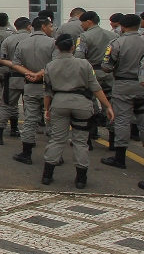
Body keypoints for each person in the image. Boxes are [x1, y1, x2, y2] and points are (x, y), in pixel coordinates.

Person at [41, 33, 114, 189]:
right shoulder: (84, 64)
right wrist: (107, 106)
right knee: (80, 141)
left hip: (59, 102)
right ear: (73, 47)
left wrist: (46, 109)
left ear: (57, 47)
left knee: (57, 139)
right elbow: (95, 87)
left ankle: (47, 175)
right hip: (82, 104)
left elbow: (47, 92)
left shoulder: (50, 66)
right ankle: (81, 178)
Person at [99, 13, 144, 170]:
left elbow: (107, 66)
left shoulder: (117, 43)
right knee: (142, 118)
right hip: (141, 84)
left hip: (123, 83)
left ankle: (120, 157)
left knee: (122, 120)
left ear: (122, 26)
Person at [8, 17, 56, 165]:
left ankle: (26, 153)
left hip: (29, 84)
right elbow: (55, 63)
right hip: (49, 86)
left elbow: (15, 64)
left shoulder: (22, 44)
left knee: (29, 120)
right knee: (52, 120)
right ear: (43, 27)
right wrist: (40, 74)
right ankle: (55, 155)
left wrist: (30, 73)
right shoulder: (53, 43)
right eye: (50, 26)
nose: (52, 29)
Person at [75, 10, 119, 143]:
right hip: (109, 73)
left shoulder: (84, 37)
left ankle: (92, 132)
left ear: (89, 22)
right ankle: (113, 137)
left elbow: (79, 57)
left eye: (82, 23)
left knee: (90, 102)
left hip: (92, 72)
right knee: (111, 104)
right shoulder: (113, 35)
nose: (81, 25)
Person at [0, 17, 33, 145]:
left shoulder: (9, 40)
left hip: (14, 76)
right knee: (31, 108)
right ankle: (29, 138)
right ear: (29, 26)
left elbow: (2, 59)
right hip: (33, 78)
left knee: (7, 105)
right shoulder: (34, 40)